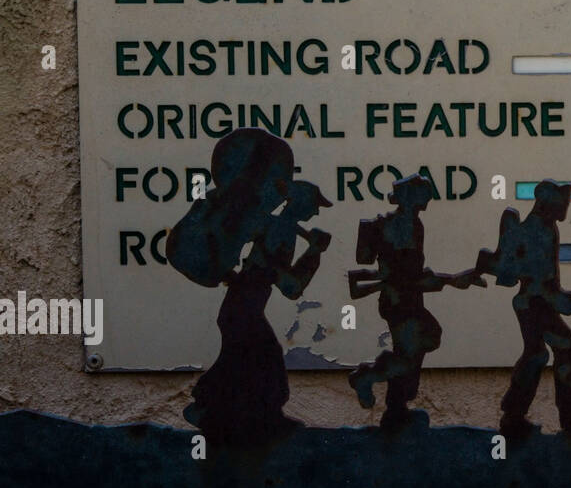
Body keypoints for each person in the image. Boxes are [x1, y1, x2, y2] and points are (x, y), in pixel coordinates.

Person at [167, 128, 331, 446]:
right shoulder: (277, 231)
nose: (315, 213)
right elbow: (291, 286)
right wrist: (314, 253)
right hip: (242, 310)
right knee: (264, 360)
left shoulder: (273, 226)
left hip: (240, 308)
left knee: (243, 361)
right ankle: (229, 413)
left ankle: (210, 410)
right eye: (314, 206)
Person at [347, 174, 483, 429]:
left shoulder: (413, 224)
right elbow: (403, 276)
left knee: (419, 345)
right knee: (418, 346)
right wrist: (450, 280)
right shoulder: (399, 226)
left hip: (408, 298)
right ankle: (368, 376)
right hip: (399, 300)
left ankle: (397, 408)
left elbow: (412, 272)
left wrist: (445, 280)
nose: (427, 202)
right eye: (424, 196)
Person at [475, 180, 571, 438]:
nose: (566, 209)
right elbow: (539, 280)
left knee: (538, 353)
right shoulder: (537, 231)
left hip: (539, 300)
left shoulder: (547, 228)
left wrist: (567, 303)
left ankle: (518, 416)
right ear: (549, 203)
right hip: (534, 303)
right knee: (559, 348)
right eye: (563, 203)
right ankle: (559, 416)